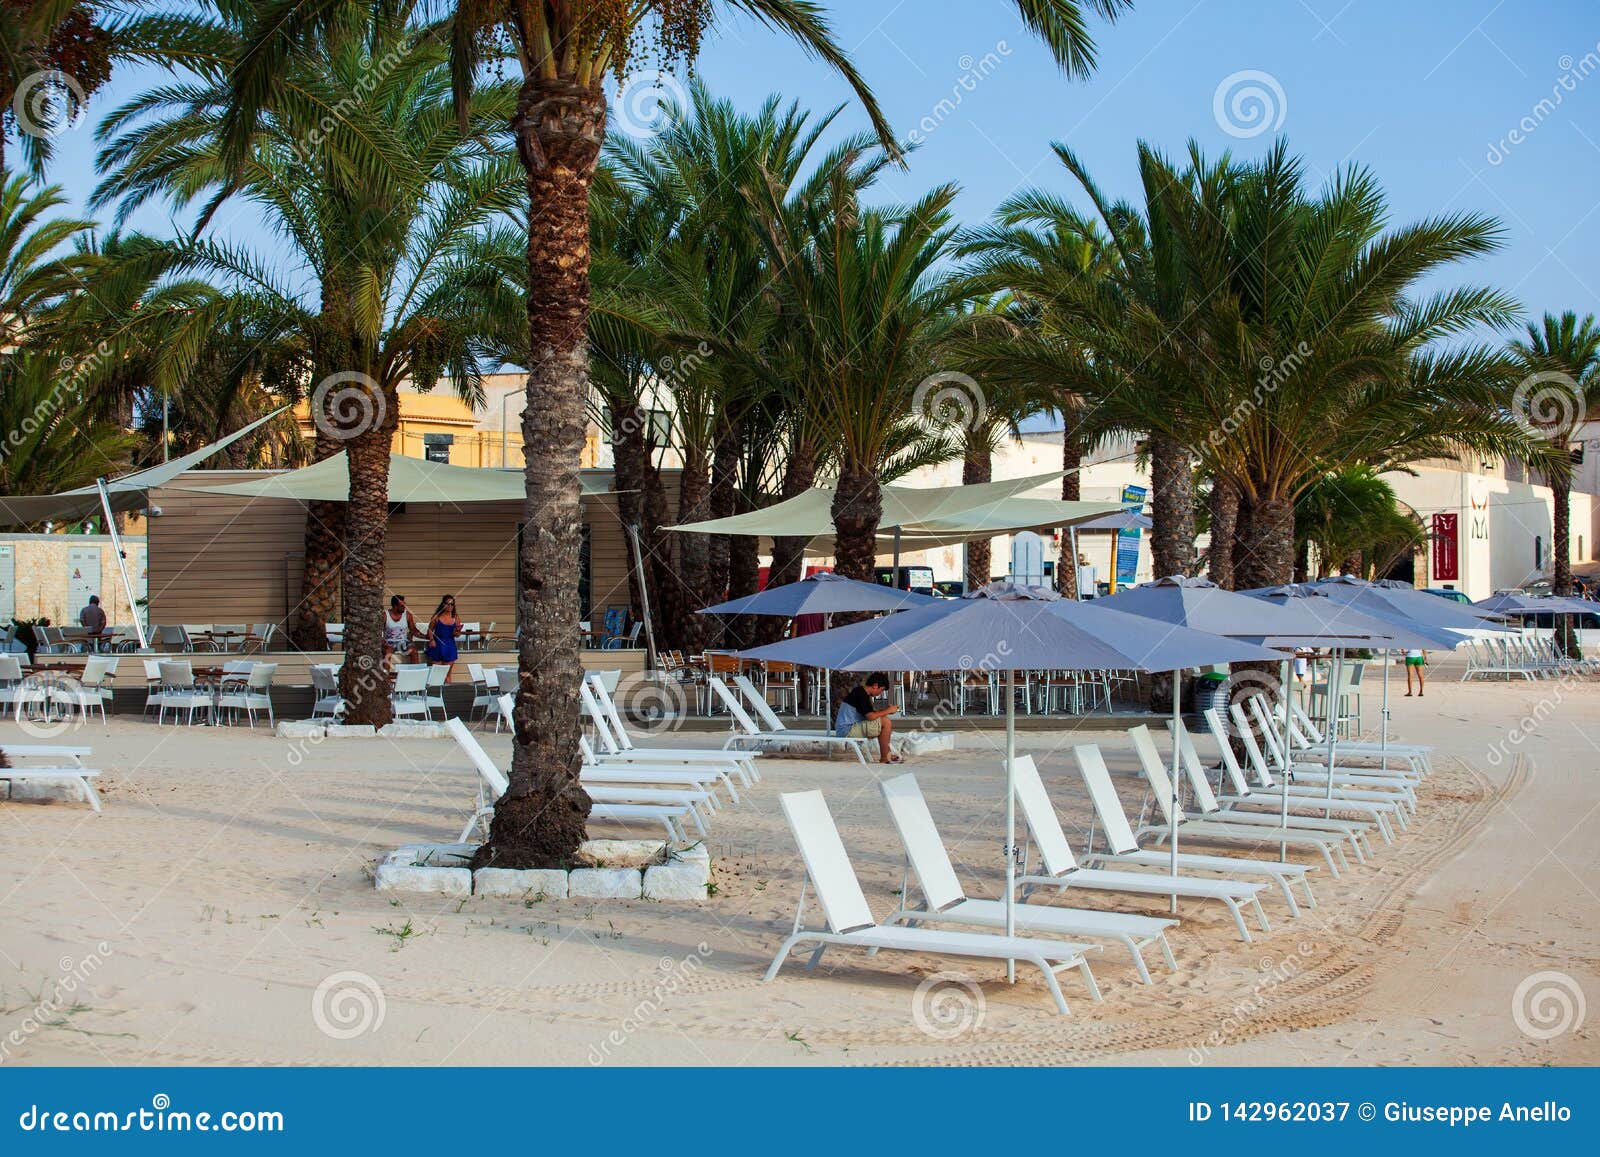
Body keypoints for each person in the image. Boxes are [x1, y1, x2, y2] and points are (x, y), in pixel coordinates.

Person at [834, 671, 902, 764]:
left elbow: (872, 715)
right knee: (886, 722)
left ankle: (886, 754)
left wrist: (886, 711)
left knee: (883, 721)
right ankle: (885, 757)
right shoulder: (860, 694)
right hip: (847, 730)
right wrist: (888, 711)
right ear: (875, 685)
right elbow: (870, 717)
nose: (881, 693)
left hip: (849, 728)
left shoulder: (861, 692)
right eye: (881, 690)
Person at [424, 594, 463, 681]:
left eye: (452, 604)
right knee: (437, 675)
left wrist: (457, 632)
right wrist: (431, 640)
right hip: (437, 645)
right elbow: (429, 631)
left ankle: (448, 693)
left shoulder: (455, 618)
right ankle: (437, 693)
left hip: (449, 646)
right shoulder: (436, 617)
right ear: (443, 604)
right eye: (447, 604)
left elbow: (457, 634)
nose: (450, 606)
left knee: (447, 675)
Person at [383, 595, 422, 664]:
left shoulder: (407, 615)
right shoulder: (385, 615)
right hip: (389, 642)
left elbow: (413, 629)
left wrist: (426, 636)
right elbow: (378, 631)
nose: (404, 607)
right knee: (387, 652)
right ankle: (385, 674)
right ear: (395, 606)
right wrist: (383, 641)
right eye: (402, 606)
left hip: (403, 642)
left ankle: (415, 673)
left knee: (414, 650)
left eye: (404, 605)